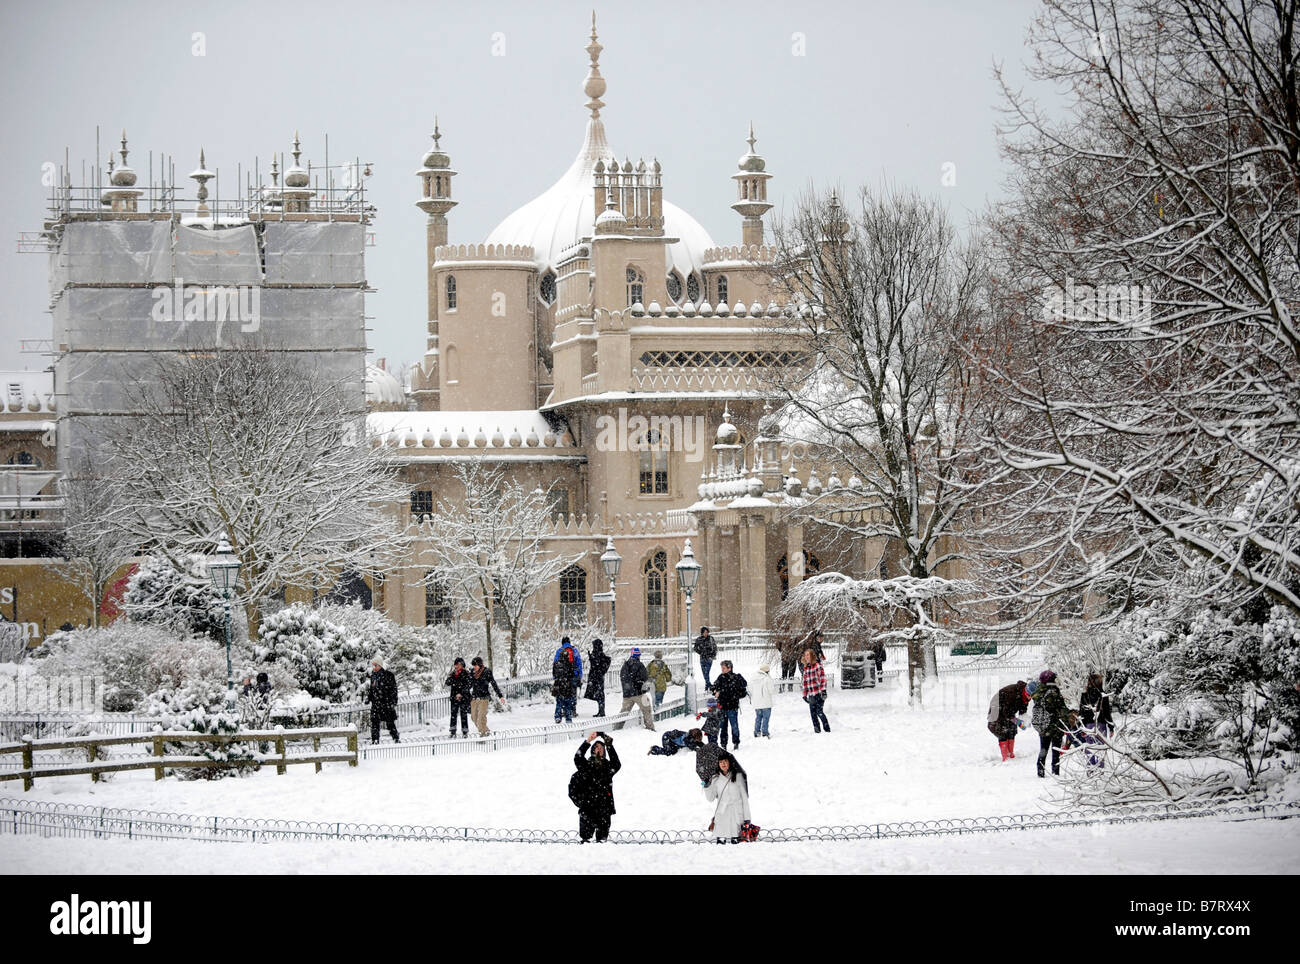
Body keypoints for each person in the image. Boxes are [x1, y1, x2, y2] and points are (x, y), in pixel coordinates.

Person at [569, 732, 621, 843]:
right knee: (585, 838)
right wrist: (588, 741)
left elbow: (617, 764)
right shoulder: (586, 765)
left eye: (602, 747)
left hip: (604, 808)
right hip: (588, 808)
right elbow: (578, 757)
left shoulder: (607, 767)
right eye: (597, 747)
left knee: (602, 840)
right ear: (592, 750)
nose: (599, 749)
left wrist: (609, 745)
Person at [1032, 670, 1074, 778]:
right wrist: (1067, 720)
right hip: (1055, 726)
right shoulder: (1053, 692)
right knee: (1055, 751)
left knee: (1043, 749)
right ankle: (1055, 772)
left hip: (1043, 725)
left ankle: (1040, 771)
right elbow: (1060, 709)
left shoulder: (1039, 692)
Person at [705, 752, 751, 844]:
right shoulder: (715, 778)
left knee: (737, 846)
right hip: (721, 817)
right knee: (721, 848)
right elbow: (710, 798)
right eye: (721, 762)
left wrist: (747, 819)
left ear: (730, 762)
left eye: (725, 761)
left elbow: (745, 800)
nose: (723, 764)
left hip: (736, 816)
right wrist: (707, 785)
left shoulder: (738, 776)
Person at [988, 679, 1033, 761]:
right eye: (1028, 695)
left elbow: (1022, 710)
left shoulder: (1025, 696)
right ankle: (1005, 756)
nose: (1029, 698)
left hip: (1008, 710)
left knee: (1012, 729)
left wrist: (1024, 721)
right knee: (1001, 730)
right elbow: (1007, 713)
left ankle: (1010, 753)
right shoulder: (1012, 694)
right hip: (997, 708)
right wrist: (1019, 722)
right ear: (1025, 691)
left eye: (1031, 696)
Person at [1078, 671, 1114, 767]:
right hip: (1101, 724)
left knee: (1090, 748)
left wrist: (1081, 726)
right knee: (1100, 748)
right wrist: (1111, 726)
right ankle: (1100, 769)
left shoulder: (1084, 695)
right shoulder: (1103, 695)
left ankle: (1091, 768)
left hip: (1088, 725)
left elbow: (1081, 712)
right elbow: (1106, 713)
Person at [711, 660, 748, 749]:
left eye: (723, 668)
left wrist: (722, 693)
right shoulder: (720, 677)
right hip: (722, 707)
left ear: (729, 668)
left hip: (732, 706)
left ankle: (736, 742)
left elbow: (737, 691)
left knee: (734, 726)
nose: (722, 670)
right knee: (723, 727)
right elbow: (714, 687)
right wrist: (715, 691)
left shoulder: (735, 678)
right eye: (721, 668)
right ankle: (724, 744)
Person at [617, 647, 655, 730]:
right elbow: (645, 678)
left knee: (624, 713)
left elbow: (623, 678)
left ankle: (617, 728)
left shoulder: (625, 665)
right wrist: (644, 688)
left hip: (627, 694)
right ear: (638, 656)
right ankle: (650, 728)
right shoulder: (640, 665)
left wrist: (627, 689)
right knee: (647, 709)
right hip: (639, 693)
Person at [468, 656, 505, 737]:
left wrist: (500, 696)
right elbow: (469, 685)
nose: (474, 667)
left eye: (475, 665)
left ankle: (483, 734)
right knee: (474, 717)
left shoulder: (487, 672)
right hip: (474, 698)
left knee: (481, 717)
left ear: (480, 665)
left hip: (484, 698)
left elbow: (493, 683)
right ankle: (486, 730)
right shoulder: (472, 673)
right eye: (473, 666)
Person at [366, 657, 400, 745]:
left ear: (380, 665)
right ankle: (375, 740)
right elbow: (372, 689)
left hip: (386, 703)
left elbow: (393, 690)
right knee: (375, 723)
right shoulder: (373, 676)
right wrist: (369, 698)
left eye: (375, 665)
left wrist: (392, 702)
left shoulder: (388, 675)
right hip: (376, 704)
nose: (374, 667)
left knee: (390, 723)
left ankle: (396, 739)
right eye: (373, 665)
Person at [800, 648, 831, 733]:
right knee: (813, 713)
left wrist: (823, 691)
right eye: (805, 655)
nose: (806, 657)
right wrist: (804, 694)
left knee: (819, 711)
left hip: (819, 693)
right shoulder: (806, 668)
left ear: (812, 656)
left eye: (808, 655)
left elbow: (823, 678)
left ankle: (827, 727)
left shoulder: (817, 665)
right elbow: (805, 682)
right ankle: (816, 729)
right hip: (811, 694)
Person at [584, 637, 612, 717]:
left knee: (598, 694)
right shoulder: (600, 653)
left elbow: (595, 665)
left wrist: (591, 657)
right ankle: (601, 710)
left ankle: (601, 711)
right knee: (599, 694)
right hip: (599, 677)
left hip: (595, 677)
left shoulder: (597, 654)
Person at [446, 657, 472, 737]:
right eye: (455, 665)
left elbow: (468, 685)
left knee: (463, 714)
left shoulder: (466, 673)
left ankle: (465, 731)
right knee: (453, 714)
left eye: (458, 664)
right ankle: (452, 731)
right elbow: (447, 683)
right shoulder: (453, 674)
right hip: (454, 697)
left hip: (463, 697)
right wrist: (452, 676)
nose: (456, 666)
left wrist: (461, 693)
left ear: (462, 665)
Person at [552, 644, 578, 723]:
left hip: (559, 686)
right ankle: (568, 717)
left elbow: (554, 674)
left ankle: (558, 716)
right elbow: (573, 675)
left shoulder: (556, 664)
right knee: (568, 703)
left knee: (559, 703)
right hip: (567, 686)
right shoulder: (570, 665)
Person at [750, 663, 775, 739]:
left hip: (757, 703)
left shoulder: (753, 678)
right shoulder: (767, 678)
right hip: (766, 702)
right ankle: (765, 732)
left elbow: (750, 689)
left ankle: (756, 731)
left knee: (758, 717)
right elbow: (771, 690)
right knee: (765, 718)